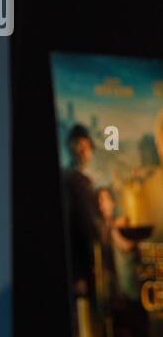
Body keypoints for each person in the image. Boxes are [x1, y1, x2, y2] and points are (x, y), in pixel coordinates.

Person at [63, 124, 101, 298]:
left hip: (94, 262)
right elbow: (77, 227)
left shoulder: (87, 182)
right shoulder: (71, 181)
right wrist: (77, 273)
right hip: (79, 266)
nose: (83, 151)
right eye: (79, 145)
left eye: (86, 146)